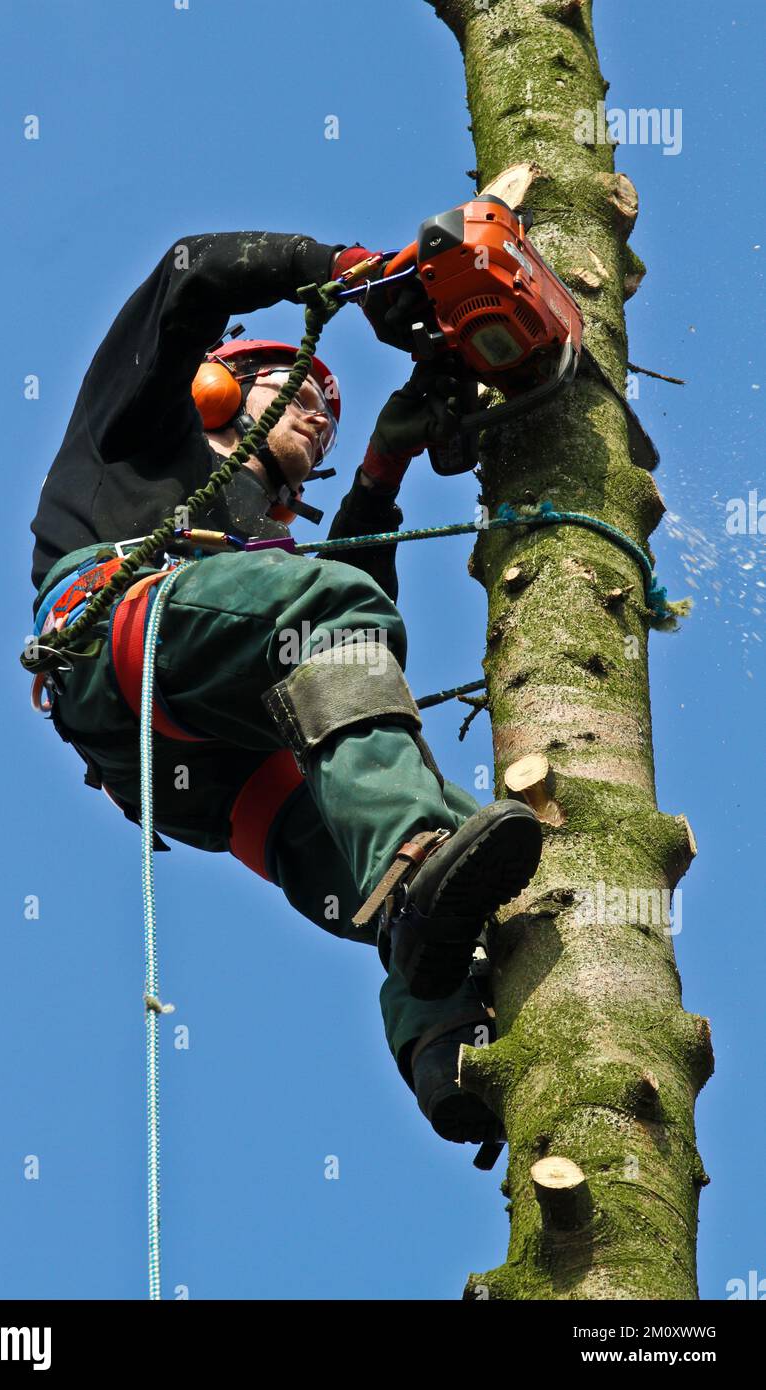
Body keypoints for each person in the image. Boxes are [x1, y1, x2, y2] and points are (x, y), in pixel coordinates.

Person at [29, 230, 542, 1148]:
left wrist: (385, 464)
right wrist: (352, 269)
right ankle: (415, 869)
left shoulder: (260, 560)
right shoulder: (142, 433)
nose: (318, 415)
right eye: (299, 392)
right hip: (117, 640)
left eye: (330, 417)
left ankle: (449, 1050)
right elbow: (191, 266)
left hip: (220, 769)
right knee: (329, 627)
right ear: (219, 387)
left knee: (467, 841)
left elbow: (350, 644)